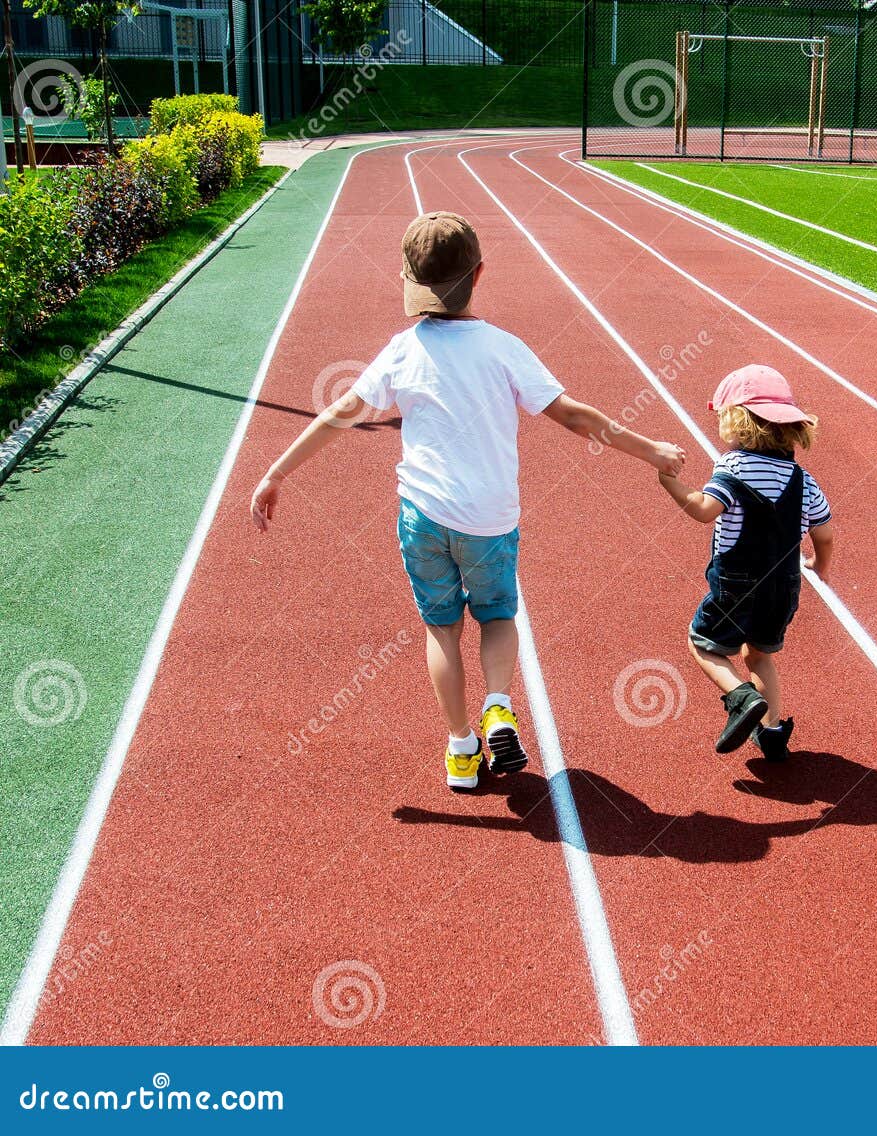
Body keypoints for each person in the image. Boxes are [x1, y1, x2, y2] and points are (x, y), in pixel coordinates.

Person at [250, 211, 685, 791]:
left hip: (422, 516)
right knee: (498, 614)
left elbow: (339, 415)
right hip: (490, 518)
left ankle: (460, 748)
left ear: (409, 282)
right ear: (479, 274)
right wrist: (650, 449)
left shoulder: (402, 351)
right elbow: (574, 416)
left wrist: (277, 472)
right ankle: (499, 704)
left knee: (441, 629)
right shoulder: (504, 348)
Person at [656, 365, 835, 761]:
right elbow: (823, 532)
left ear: (737, 422)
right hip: (783, 586)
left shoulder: (733, 467)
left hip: (736, 582)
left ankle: (739, 696)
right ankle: (771, 732)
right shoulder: (804, 481)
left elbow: (705, 509)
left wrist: (669, 481)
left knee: (703, 644)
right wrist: (820, 564)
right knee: (759, 654)